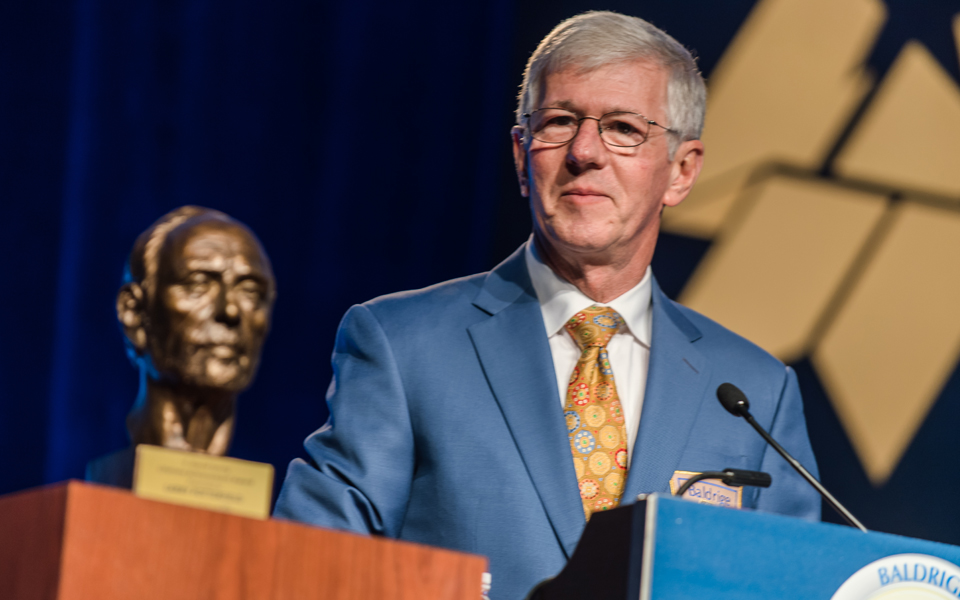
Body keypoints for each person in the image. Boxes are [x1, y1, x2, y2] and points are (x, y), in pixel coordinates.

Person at [274, 11, 819, 600]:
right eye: (560, 121)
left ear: (681, 172)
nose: (585, 151)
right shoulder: (402, 346)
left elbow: (795, 587)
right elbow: (311, 566)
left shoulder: (756, 393)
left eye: (622, 128)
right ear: (520, 154)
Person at [87, 206, 276, 487]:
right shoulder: (115, 475)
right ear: (135, 313)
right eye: (199, 284)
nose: (231, 311)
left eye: (250, 290)